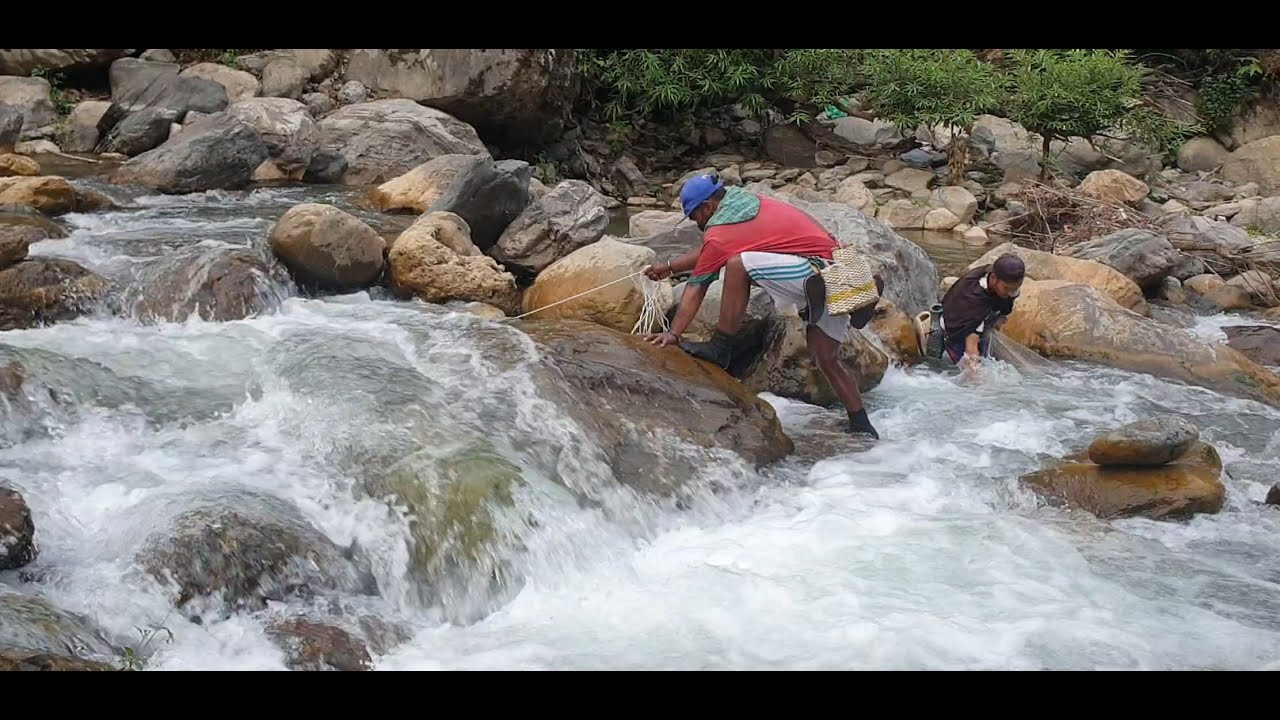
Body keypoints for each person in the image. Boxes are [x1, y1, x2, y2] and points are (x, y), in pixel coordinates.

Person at [642, 173, 882, 439]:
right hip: (838, 273)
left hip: (810, 271)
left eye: (694, 216)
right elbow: (709, 252)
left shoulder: (721, 232)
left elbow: (697, 286)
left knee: (738, 264)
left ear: (707, 207)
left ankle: (721, 347)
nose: (695, 222)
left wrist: (673, 334)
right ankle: (861, 424)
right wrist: (670, 268)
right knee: (826, 357)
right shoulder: (745, 203)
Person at [938, 253, 1025, 369]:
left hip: (981, 322)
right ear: (993, 278)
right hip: (955, 329)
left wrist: (1000, 318)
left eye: (1014, 289)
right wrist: (975, 374)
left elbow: (1007, 302)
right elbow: (971, 347)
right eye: (1006, 288)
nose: (1011, 293)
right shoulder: (974, 297)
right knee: (966, 368)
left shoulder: (1000, 282)